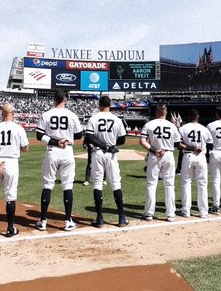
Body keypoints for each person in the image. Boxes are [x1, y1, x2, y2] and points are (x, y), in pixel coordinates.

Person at [35, 91, 84, 231]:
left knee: (47, 184)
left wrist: (56, 141)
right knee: (67, 185)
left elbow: (39, 135)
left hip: (52, 151)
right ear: (65, 100)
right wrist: (66, 138)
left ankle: (43, 221)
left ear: (54, 100)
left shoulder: (47, 114)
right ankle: (68, 221)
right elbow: (79, 135)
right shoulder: (72, 115)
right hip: (67, 151)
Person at [0, 102, 28, 237]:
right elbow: (25, 149)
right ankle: (10, 228)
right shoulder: (19, 128)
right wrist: (17, 148)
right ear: (13, 113)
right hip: (12, 162)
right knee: (10, 195)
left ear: (2, 114)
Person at [84, 95, 129, 226]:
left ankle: (99, 218)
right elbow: (122, 139)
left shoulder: (94, 118)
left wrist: (102, 145)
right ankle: (121, 217)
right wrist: (110, 144)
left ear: (99, 105)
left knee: (97, 184)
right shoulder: (116, 119)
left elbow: (89, 137)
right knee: (116, 184)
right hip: (111, 154)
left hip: (97, 152)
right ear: (110, 105)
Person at [140, 103, 181, 221]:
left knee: (151, 184)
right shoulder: (172, 125)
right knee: (169, 185)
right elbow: (177, 144)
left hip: (154, 154)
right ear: (166, 112)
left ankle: (148, 213)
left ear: (156, 112)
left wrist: (155, 150)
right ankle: (171, 214)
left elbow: (142, 141)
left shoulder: (149, 124)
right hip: (168, 154)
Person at [177, 109, 211, 218]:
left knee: (186, 183)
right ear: (198, 116)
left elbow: (178, 144)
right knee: (202, 184)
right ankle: (204, 211)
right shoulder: (204, 129)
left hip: (188, 156)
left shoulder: (183, 128)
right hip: (201, 157)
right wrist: (207, 157)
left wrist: (191, 147)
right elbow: (210, 145)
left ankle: (186, 210)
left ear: (189, 117)